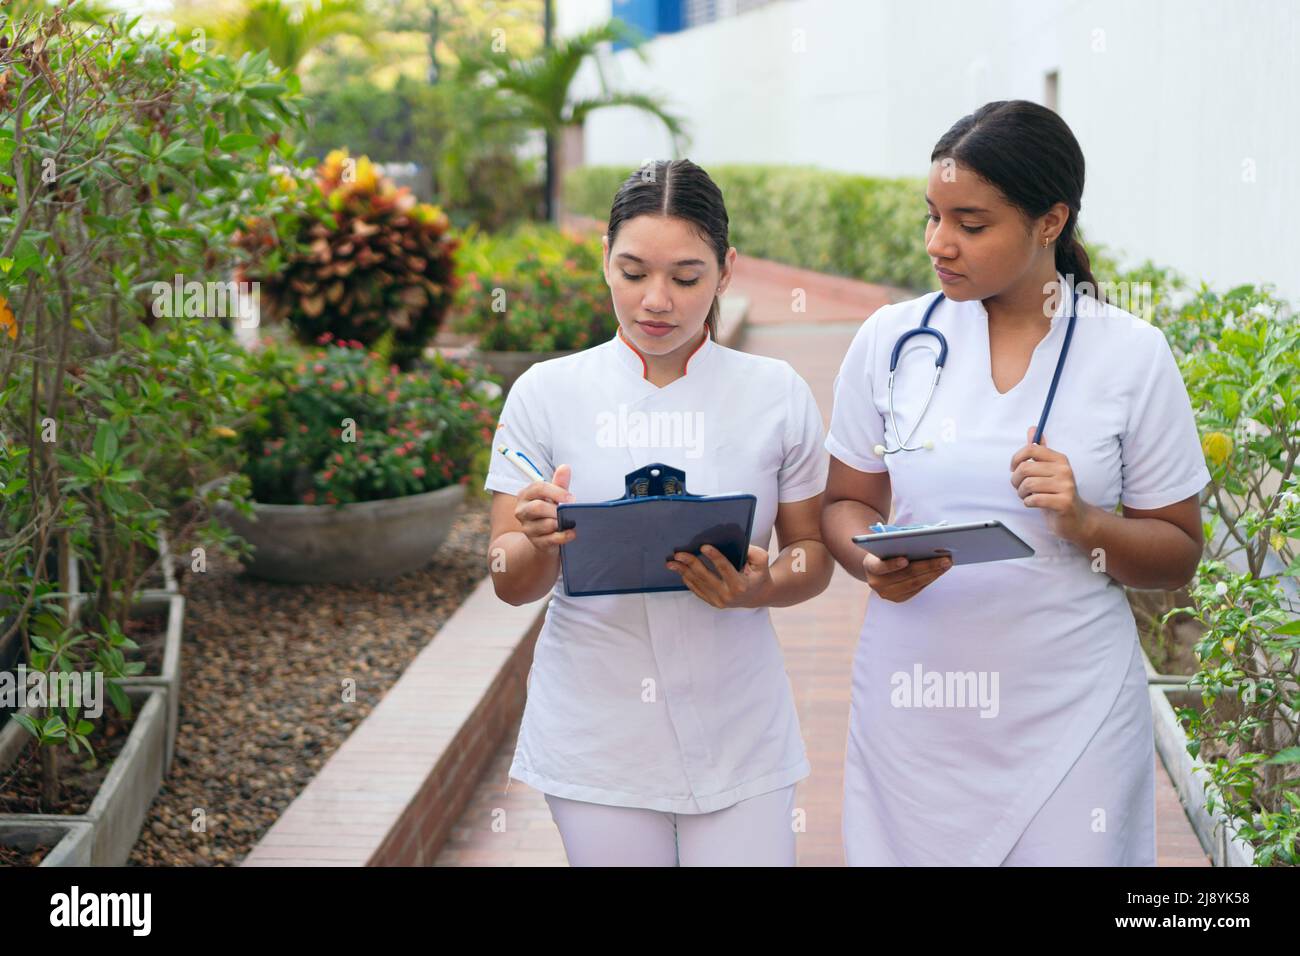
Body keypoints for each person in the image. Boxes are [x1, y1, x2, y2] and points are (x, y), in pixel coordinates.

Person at [820, 100, 1211, 866]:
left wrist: (1089, 524)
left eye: (970, 224)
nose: (939, 243)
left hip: (1073, 710)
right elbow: (846, 501)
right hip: (917, 707)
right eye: (931, 216)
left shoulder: (1130, 354)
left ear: (1049, 221)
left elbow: (1178, 553)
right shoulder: (891, 341)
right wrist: (868, 561)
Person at [484, 159, 833, 866]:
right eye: (633, 271)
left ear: (726, 270)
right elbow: (508, 579)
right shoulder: (546, 394)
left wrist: (763, 586)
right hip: (597, 726)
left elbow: (813, 556)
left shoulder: (775, 393)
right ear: (604, 261)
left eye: (686, 277)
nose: (656, 301)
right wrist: (539, 542)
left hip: (740, 718)